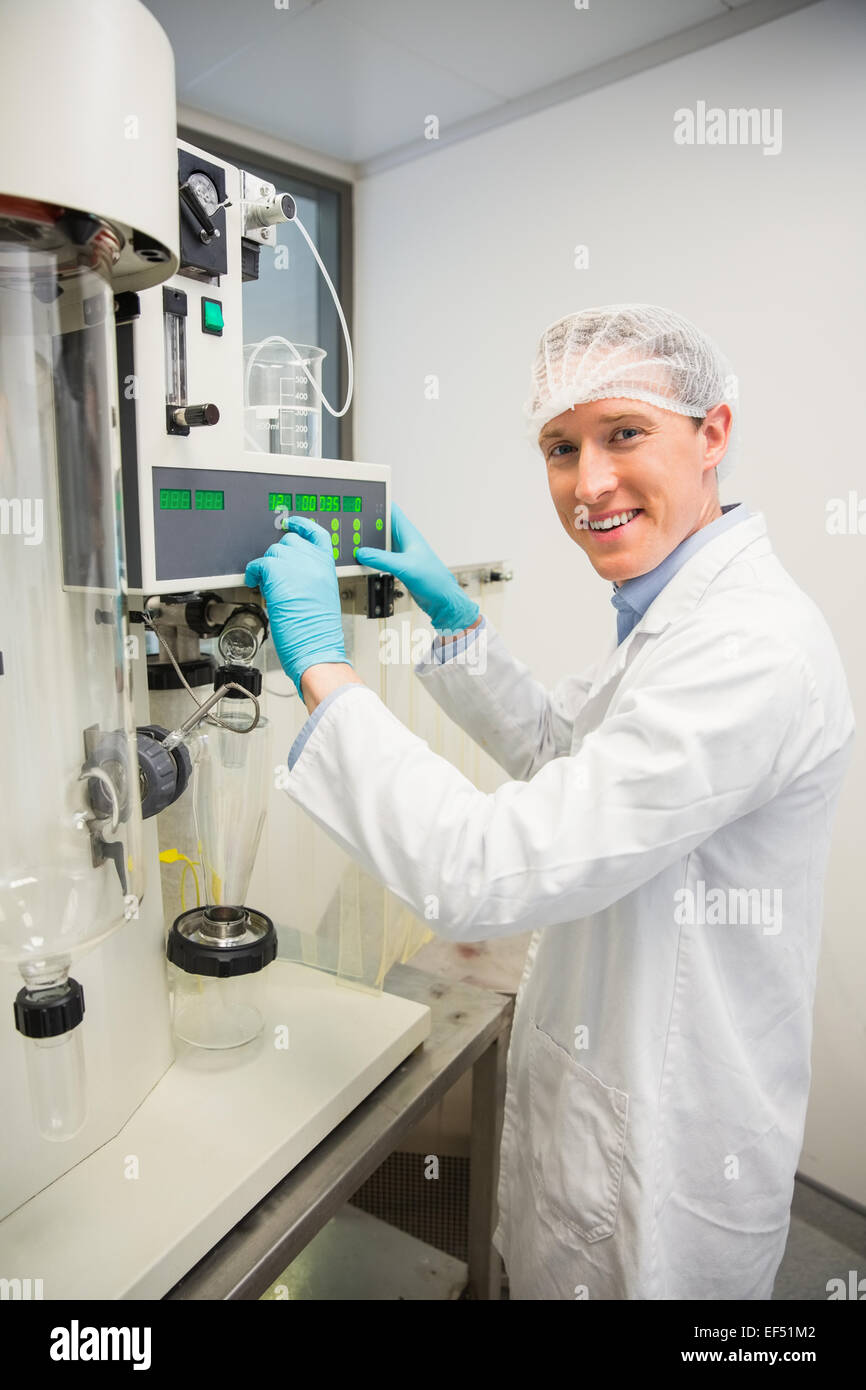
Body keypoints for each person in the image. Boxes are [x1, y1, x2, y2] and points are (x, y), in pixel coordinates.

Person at [245, 304, 854, 1300]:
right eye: (558, 448)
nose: (587, 483)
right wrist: (455, 627)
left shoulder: (747, 649)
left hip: (663, 1167)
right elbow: (560, 755)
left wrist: (321, 669)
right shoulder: (673, 621)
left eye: (623, 435)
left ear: (712, 433)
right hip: (604, 1103)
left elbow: (482, 869)